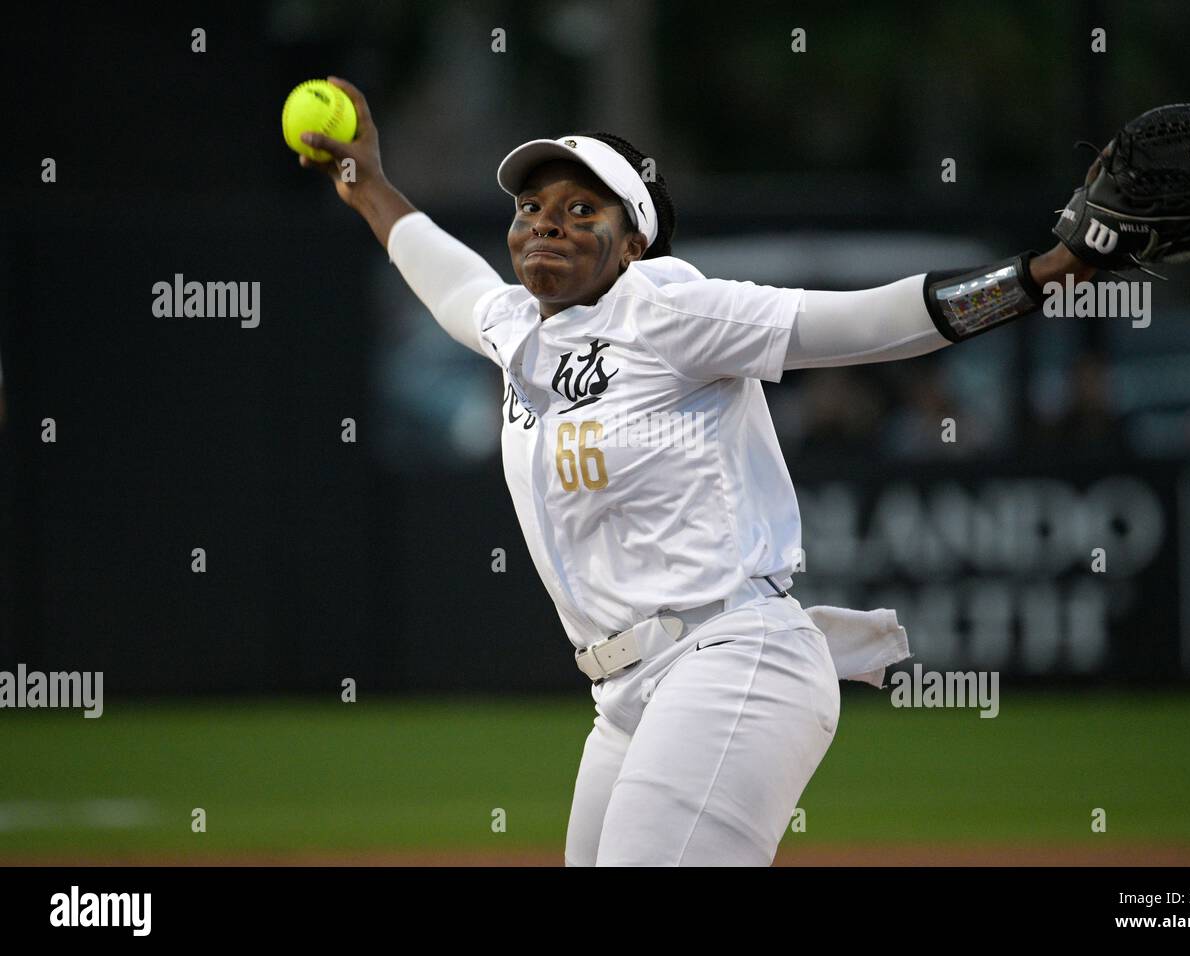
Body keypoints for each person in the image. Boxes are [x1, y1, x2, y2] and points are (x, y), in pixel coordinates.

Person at [301, 76, 1100, 866]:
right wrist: (366, 184)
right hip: (622, 699)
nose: (546, 224)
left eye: (584, 211)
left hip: (730, 660)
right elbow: (448, 277)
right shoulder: (520, 332)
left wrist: (1046, 271)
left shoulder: (664, 308)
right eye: (531, 208)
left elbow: (869, 323)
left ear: (635, 241)